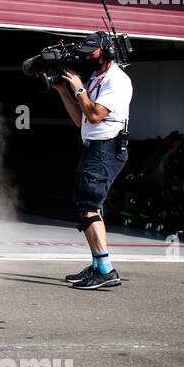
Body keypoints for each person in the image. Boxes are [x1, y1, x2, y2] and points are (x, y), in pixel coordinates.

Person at [54, 32, 133, 290]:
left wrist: (78, 88)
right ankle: (98, 266)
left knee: (88, 206)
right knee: (90, 208)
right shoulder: (97, 78)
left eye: (92, 51)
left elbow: (96, 114)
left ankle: (106, 270)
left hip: (106, 149)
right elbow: (81, 119)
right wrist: (63, 91)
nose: (87, 56)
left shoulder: (117, 81)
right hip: (94, 148)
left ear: (107, 52)